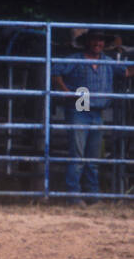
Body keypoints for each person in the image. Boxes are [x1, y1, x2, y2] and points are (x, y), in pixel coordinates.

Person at [52, 30, 134, 203]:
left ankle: (92, 196)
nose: (98, 43)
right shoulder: (76, 59)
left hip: (97, 111)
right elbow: (55, 71)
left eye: (101, 40)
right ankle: (74, 196)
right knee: (78, 156)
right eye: (95, 39)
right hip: (80, 109)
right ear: (87, 42)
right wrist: (66, 92)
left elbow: (126, 72)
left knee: (92, 158)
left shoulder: (107, 62)